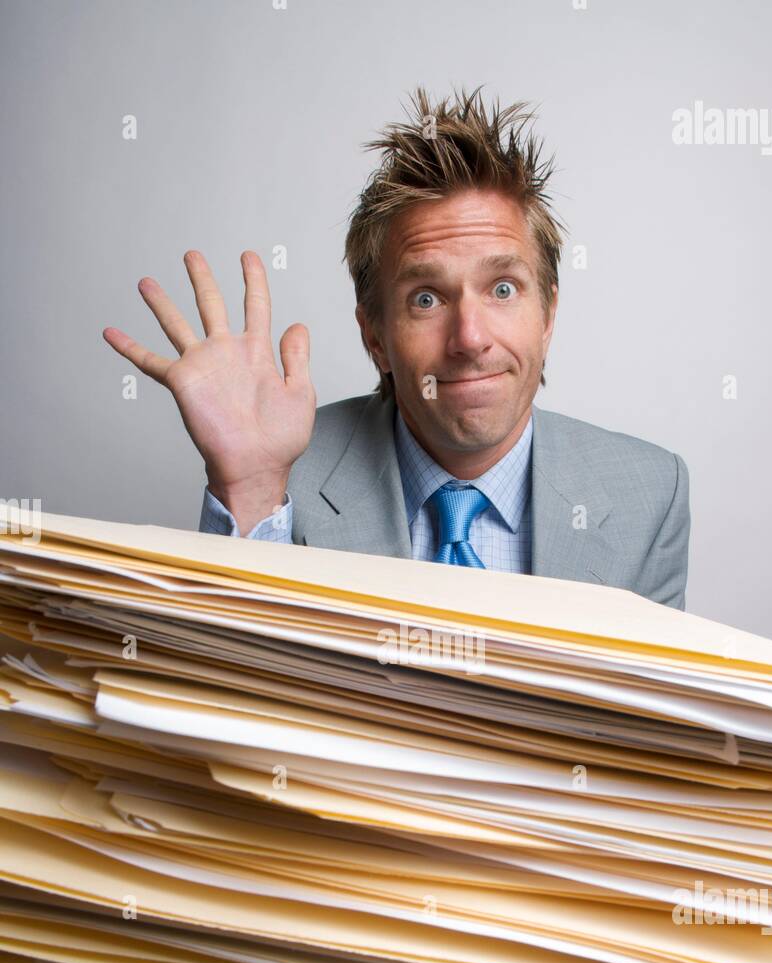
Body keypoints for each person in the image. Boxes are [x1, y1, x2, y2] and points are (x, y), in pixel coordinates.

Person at [103, 86, 690, 606]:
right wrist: (252, 488)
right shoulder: (282, 473)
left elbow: (645, 728)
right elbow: (226, 703)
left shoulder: (649, 493)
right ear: (374, 336)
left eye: (503, 289)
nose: (470, 339)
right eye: (426, 299)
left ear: (548, 314)